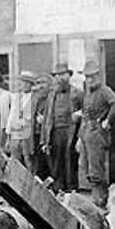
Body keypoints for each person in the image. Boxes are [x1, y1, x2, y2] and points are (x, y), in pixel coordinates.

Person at [79, 60, 115, 207]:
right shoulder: (88, 93)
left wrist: (107, 121)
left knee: (96, 168)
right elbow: (85, 115)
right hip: (86, 132)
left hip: (97, 133)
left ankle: (100, 199)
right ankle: (96, 195)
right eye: (87, 77)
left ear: (98, 76)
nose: (89, 79)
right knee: (84, 165)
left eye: (92, 76)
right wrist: (80, 138)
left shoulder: (104, 90)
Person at [39, 62, 82, 192]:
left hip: (71, 132)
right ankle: (59, 190)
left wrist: (80, 114)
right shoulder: (51, 95)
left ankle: (72, 190)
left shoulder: (77, 93)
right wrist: (44, 140)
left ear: (69, 76)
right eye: (57, 75)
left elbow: (87, 110)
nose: (60, 78)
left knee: (70, 161)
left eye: (63, 75)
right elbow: (46, 118)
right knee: (56, 162)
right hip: (55, 132)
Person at [5, 70, 39, 169]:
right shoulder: (17, 97)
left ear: (30, 84)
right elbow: (11, 116)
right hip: (16, 133)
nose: (23, 85)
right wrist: (8, 135)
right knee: (15, 158)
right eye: (22, 82)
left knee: (28, 158)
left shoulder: (35, 98)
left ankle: (30, 179)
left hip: (28, 133)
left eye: (26, 82)